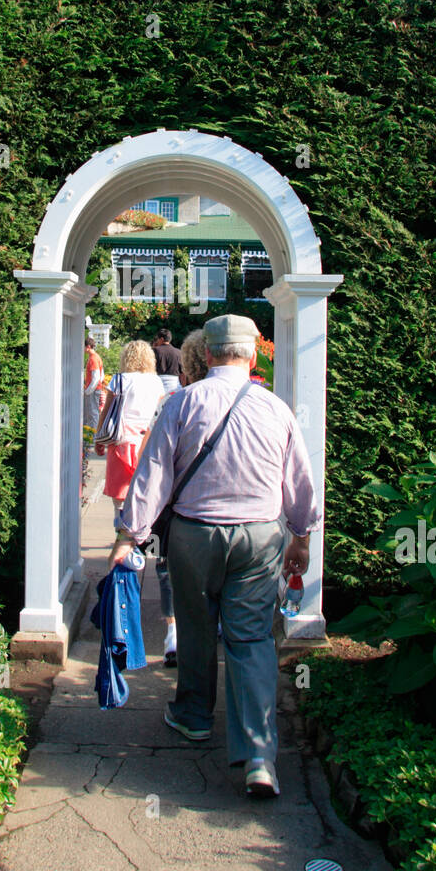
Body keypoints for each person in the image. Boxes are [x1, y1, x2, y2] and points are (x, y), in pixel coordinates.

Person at [109, 314, 319, 800]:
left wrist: (129, 536)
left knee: (197, 626)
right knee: (251, 638)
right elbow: (299, 480)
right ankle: (259, 757)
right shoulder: (276, 409)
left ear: (207, 354)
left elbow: (153, 474)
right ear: (253, 354)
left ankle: (194, 716)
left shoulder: (183, 403)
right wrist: (302, 538)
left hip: (195, 535)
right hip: (260, 536)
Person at [137, 329, 209, 668]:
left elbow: (153, 464)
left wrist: (132, 527)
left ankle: (173, 634)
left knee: (167, 570)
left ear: (185, 370)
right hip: (228, 515)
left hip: (178, 510)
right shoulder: (250, 401)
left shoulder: (172, 403)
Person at [95, 340, 163, 530]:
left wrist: (99, 437)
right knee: (144, 489)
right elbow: (159, 412)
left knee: (120, 494)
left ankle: (121, 530)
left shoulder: (119, 380)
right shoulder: (156, 382)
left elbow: (106, 411)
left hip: (121, 439)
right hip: (147, 440)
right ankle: (141, 530)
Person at [83, 337, 105, 433]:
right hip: (95, 389)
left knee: (92, 414)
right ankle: (92, 435)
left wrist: (87, 391)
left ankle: (93, 436)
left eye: (84, 347)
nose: (83, 349)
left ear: (88, 347)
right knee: (92, 413)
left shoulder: (93, 359)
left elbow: (96, 378)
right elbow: (102, 375)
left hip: (93, 391)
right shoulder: (97, 357)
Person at [152, 328, 182, 394]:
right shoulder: (178, 352)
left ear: (161, 339)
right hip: (175, 386)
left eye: (157, 339)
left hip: (158, 385)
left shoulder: (155, 351)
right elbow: (182, 373)